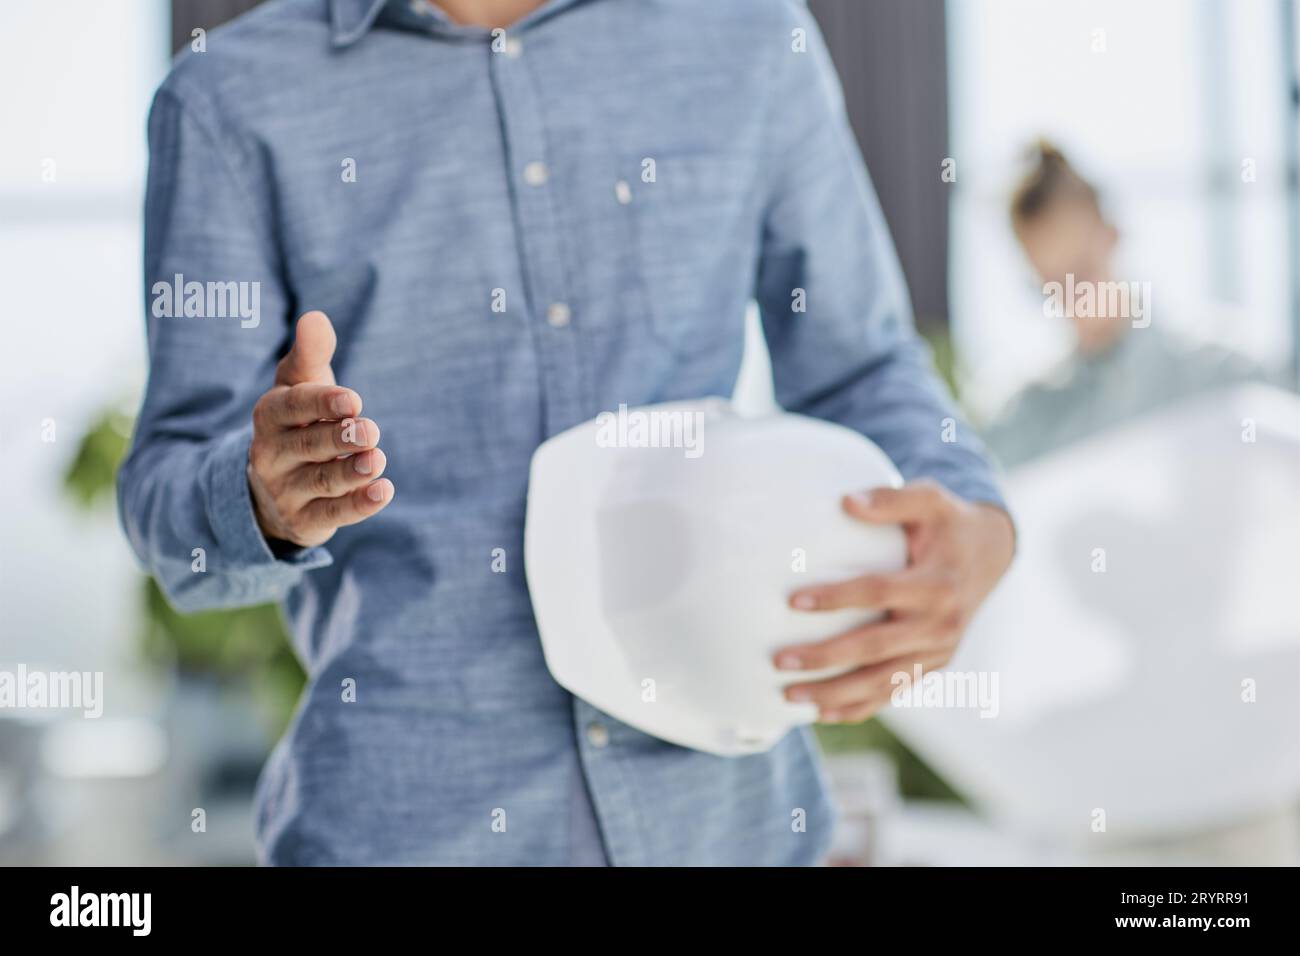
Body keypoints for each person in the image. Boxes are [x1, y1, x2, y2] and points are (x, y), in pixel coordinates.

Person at [119, 0, 1014, 865]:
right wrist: (262, 497)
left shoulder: (746, 35)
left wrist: (973, 516)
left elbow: (862, 367)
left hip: (733, 827)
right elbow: (166, 502)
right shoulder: (228, 95)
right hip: (403, 829)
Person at [985, 140, 1264, 468]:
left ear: (1112, 236)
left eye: (1082, 271)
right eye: (1054, 285)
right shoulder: (1022, 419)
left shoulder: (1226, 372)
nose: (1077, 297)